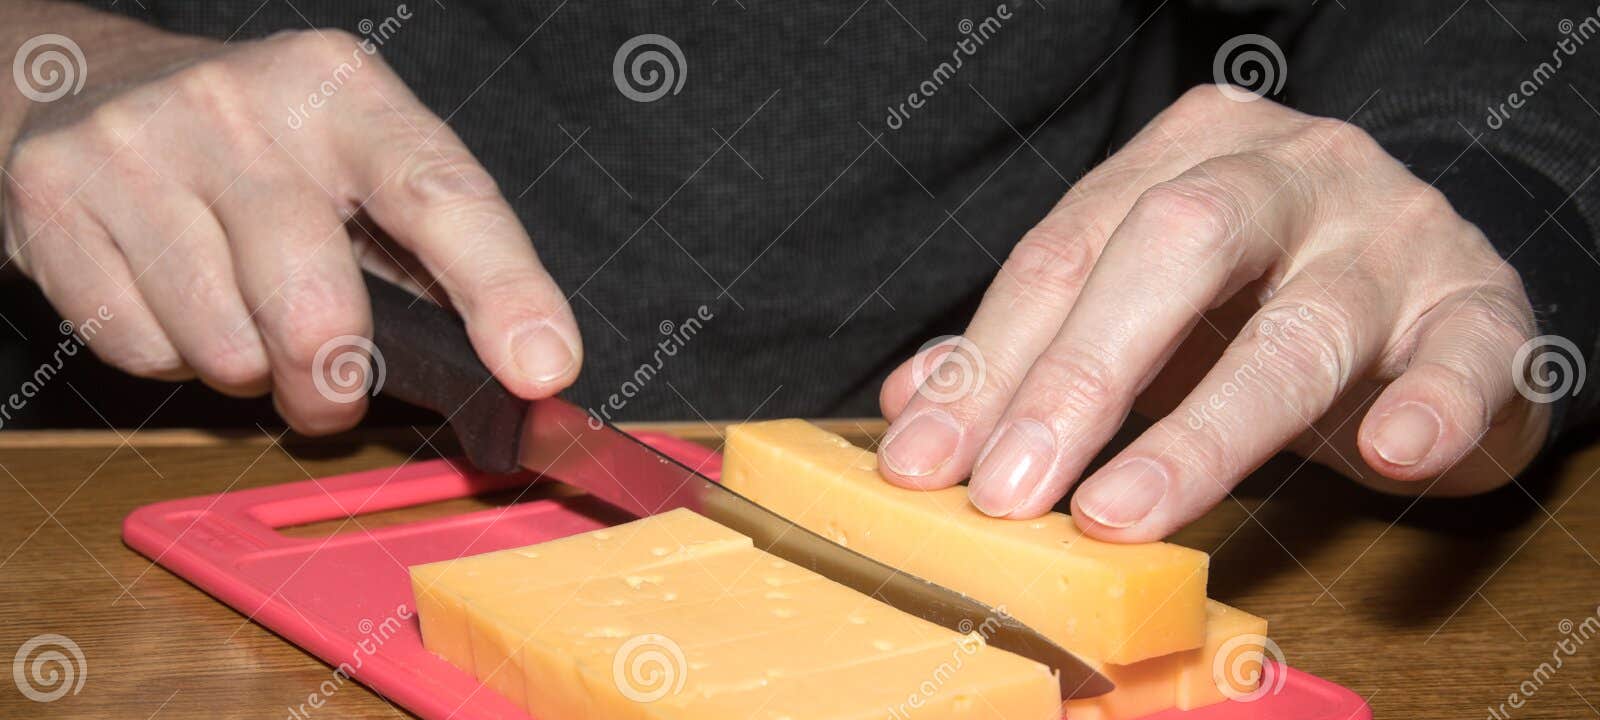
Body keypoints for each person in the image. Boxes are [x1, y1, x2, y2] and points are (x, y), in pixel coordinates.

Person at [1, 0, 1595, 543]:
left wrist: (1474, 212)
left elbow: (1503, 40)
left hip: (998, 475)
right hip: (104, 473)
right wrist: (41, 65)